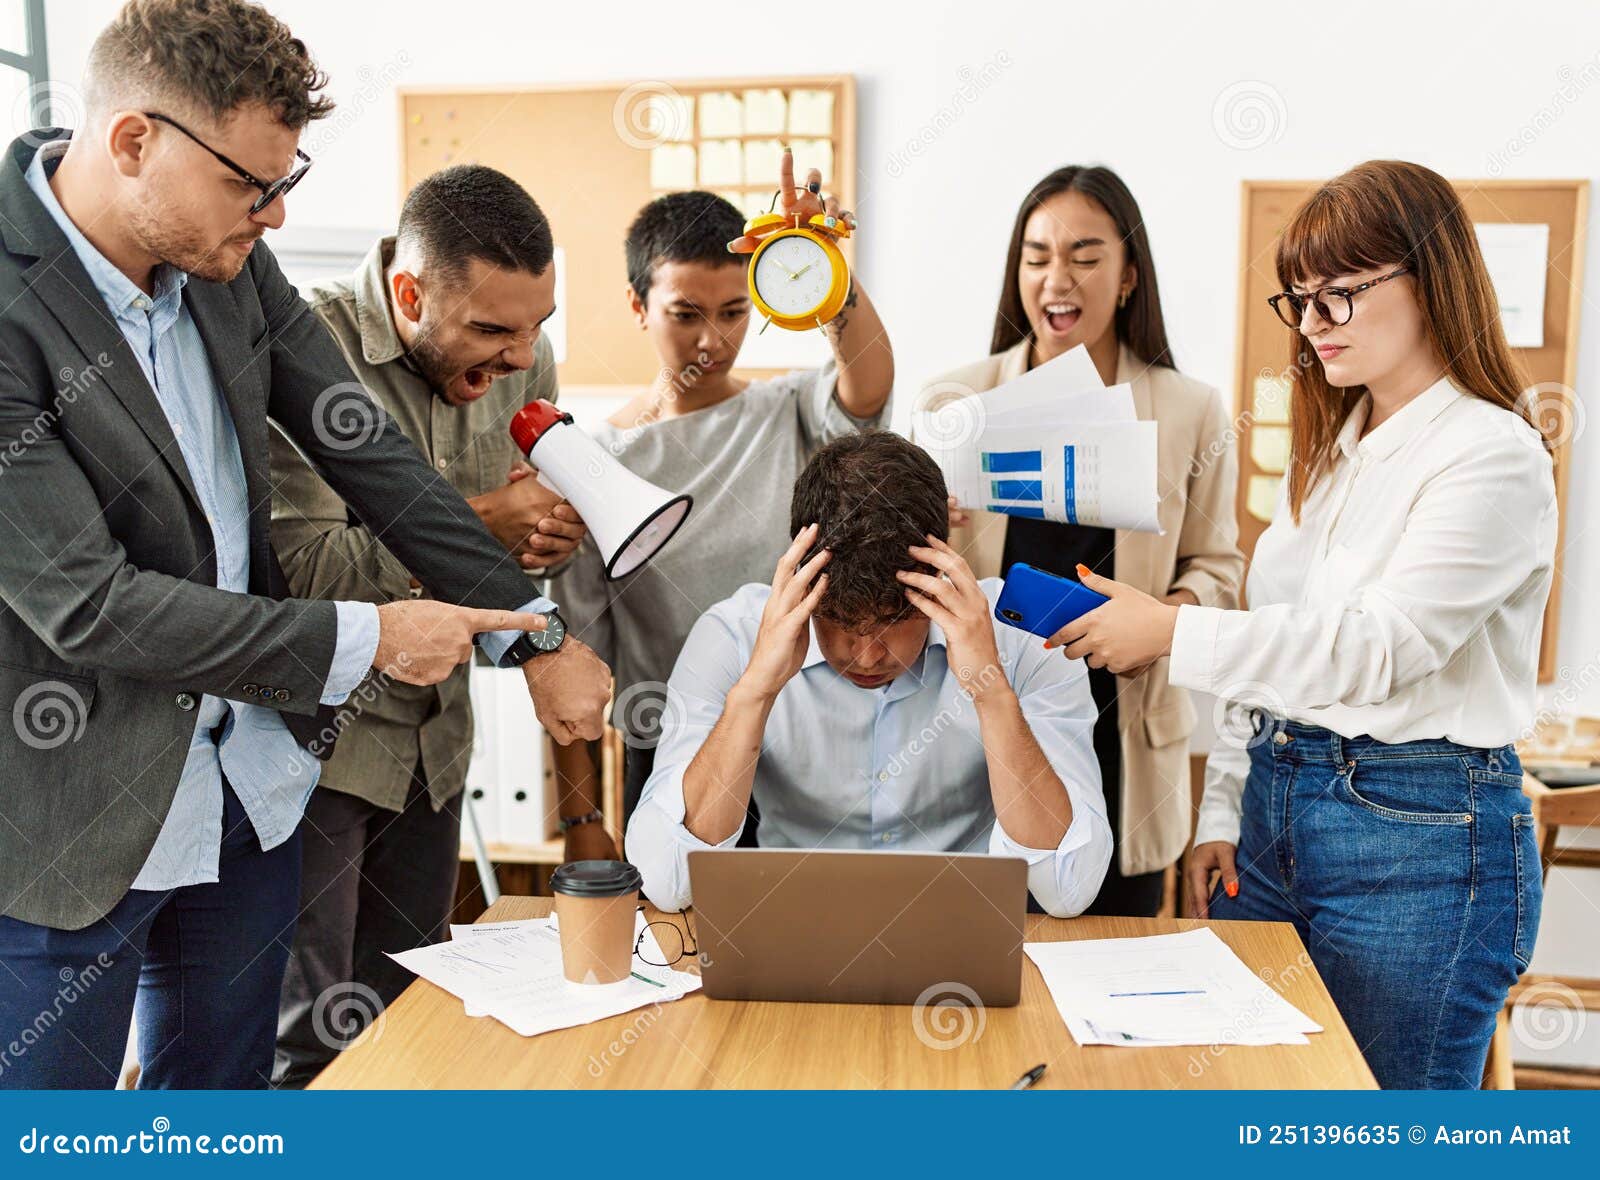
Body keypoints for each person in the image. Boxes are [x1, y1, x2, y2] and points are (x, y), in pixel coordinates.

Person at [0, 0, 607, 1090]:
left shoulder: (231, 270)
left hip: (246, 794)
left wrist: (535, 634)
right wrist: (366, 638)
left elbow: (382, 465)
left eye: (287, 182)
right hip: (69, 820)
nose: (274, 218)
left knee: (230, 1117)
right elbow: (87, 605)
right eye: (250, 185)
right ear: (135, 141)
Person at [1053, 160, 1555, 1089]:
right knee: (1250, 1102)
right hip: (1278, 812)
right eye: (1302, 299)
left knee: (1381, 1128)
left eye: (1342, 296)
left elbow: (1377, 649)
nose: (1315, 323)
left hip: (1420, 839)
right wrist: (1224, 811)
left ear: (1432, 280)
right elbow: (1277, 638)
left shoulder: (1492, 454)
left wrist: (1168, 633)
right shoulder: (1332, 451)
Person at [269, 165, 610, 1087]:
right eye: (492, 331)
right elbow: (309, 571)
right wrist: (482, 526)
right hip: (319, 747)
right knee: (309, 1041)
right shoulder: (305, 345)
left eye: (537, 325)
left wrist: (542, 537)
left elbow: (523, 561)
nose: (519, 357)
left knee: (414, 1020)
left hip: (436, 746)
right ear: (409, 294)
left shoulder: (524, 354)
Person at [914, 166, 1242, 916]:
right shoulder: (954, 401)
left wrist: (1165, 618)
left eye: (1085, 257)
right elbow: (909, 567)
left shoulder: (1190, 410)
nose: (1057, 279)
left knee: (1109, 968)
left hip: (1122, 722)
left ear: (1128, 277)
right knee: (987, 960)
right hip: (987, 712)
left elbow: (1219, 566)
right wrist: (934, 528)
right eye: (1037, 257)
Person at [627, 430, 1111, 917]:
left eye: (896, 622)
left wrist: (991, 692)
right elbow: (668, 883)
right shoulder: (731, 636)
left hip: (966, 927)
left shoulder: (1022, 638)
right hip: (791, 924)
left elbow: (1067, 890)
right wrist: (755, 691)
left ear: (942, 570)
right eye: (839, 624)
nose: (867, 655)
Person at [550, 150, 892, 832]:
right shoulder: (591, 463)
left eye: (735, 312)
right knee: (683, 931)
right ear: (637, 305)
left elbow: (868, 386)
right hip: (674, 746)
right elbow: (576, 657)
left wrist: (825, 267)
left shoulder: (788, 408)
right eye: (685, 314)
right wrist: (585, 828)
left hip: (807, 738)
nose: (713, 340)